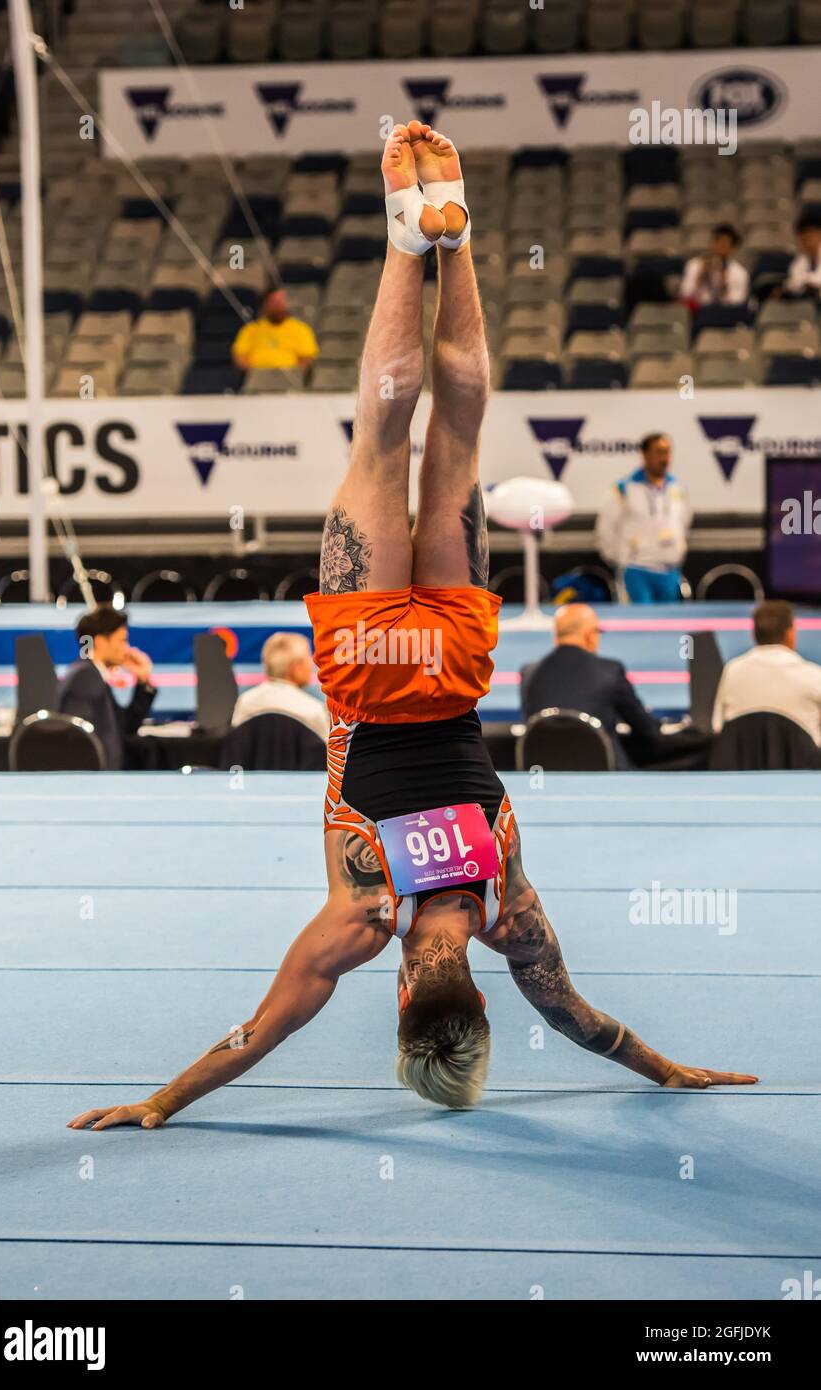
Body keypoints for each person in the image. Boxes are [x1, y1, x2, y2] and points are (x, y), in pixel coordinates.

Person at [69, 122, 755, 1134]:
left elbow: (581, 1020)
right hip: (362, 664)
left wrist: (663, 1067)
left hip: (453, 662)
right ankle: (405, 235)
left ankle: (450, 232)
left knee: (460, 435)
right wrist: (161, 1100)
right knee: (384, 433)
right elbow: (257, 1032)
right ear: (399, 998)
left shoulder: (509, 911)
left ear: (474, 997)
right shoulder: (361, 914)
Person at [520, 604, 663, 769]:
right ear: (589, 636)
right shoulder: (610, 671)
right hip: (606, 778)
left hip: (543, 774)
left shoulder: (529, 673)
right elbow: (647, 729)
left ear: (556, 635)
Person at [596, 432, 691, 604]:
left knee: (669, 625)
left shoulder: (677, 488)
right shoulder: (624, 488)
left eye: (667, 452)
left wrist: (678, 549)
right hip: (636, 570)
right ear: (645, 455)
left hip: (669, 569)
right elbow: (606, 529)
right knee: (638, 625)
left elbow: (684, 522)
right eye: (659, 452)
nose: (664, 458)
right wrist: (622, 559)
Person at [57, 606, 156, 771]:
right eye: (123, 641)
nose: (127, 649)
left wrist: (142, 680)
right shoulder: (85, 678)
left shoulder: (91, 674)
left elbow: (123, 728)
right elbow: (82, 741)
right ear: (101, 641)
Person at [713, 600, 821, 745]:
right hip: (804, 765)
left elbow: (717, 727)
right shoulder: (814, 675)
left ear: (754, 634)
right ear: (790, 634)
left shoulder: (732, 670)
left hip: (743, 764)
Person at [230, 631, 328, 743]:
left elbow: (234, 752)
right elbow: (327, 757)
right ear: (296, 667)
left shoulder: (244, 703)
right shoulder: (313, 712)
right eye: (308, 658)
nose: (312, 665)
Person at [230, 287, 319, 373]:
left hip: (289, 378)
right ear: (265, 304)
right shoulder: (250, 329)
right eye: (274, 302)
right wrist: (254, 373)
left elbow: (307, 358)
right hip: (256, 378)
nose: (278, 305)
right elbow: (239, 355)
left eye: (281, 301)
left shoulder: (301, 329)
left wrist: (295, 374)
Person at [678, 223, 749, 310]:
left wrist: (724, 285)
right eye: (717, 242)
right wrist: (700, 277)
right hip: (698, 314)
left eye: (725, 244)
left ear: (733, 247)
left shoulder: (740, 273)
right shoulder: (695, 265)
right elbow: (685, 294)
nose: (720, 247)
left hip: (726, 315)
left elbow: (737, 303)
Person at [781, 212, 821, 300]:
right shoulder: (801, 258)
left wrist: (804, 281)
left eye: (810, 236)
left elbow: (818, 280)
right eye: (803, 238)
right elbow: (792, 283)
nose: (806, 241)